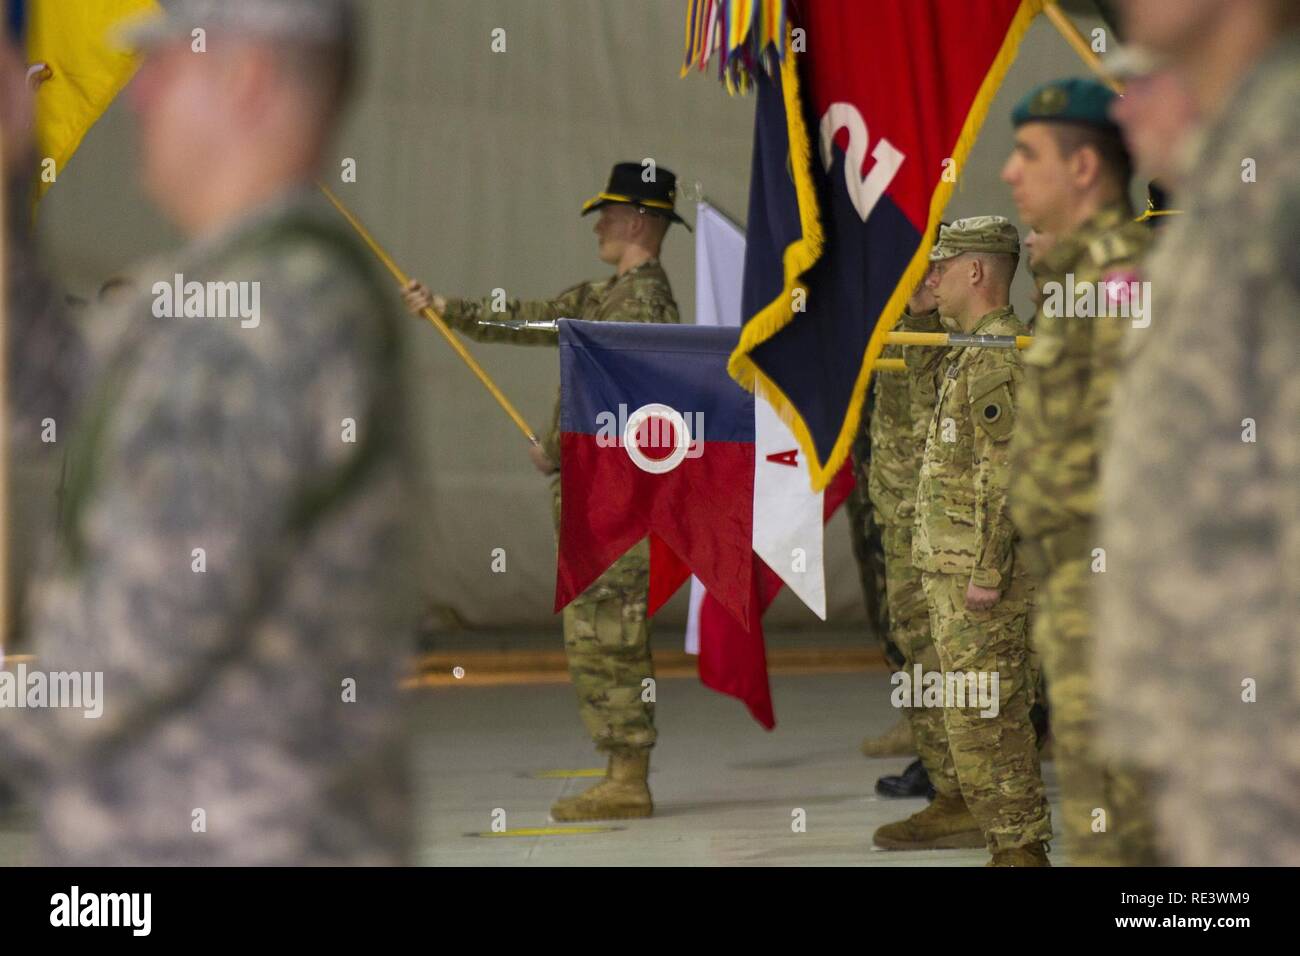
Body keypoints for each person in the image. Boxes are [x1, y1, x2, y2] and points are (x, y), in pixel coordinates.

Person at [0, 0, 418, 865]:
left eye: (163, 69)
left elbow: (136, 635)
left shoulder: (280, 313)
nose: (140, 99)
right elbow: (45, 401)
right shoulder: (213, 293)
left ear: (248, 81)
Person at [403, 162, 681, 821]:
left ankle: (629, 775)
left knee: (611, 639)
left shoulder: (641, 305)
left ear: (638, 221)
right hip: (595, 509)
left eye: (608, 216)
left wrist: (556, 448)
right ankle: (620, 767)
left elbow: (626, 412)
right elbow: (535, 319)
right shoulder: (608, 296)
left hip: (616, 510)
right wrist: (448, 309)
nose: (598, 229)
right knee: (595, 638)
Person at [1097, 0, 1300, 866]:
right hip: (1229, 745)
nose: (1120, 108)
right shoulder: (1237, 167)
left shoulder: (1281, 162)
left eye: (1136, 80)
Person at [1000, 77, 1160, 865]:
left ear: (1086, 170)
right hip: (1079, 602)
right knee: (1102, 829)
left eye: (1028, 155)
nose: (1010, 172)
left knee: (1135, 839)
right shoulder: (1077, 284)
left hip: (1125, 608)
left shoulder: (1124, 282)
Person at [875, 217, 1051, 866]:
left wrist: (986, 569)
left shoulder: (996, 356)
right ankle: (1011, 847)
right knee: (975, 725)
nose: (933, 282)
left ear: (976, 273)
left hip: (982, 583)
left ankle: (1020, 850)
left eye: (942, 269)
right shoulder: (971, 350)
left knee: (991, 726)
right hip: (955, 573)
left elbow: (1006, 475)